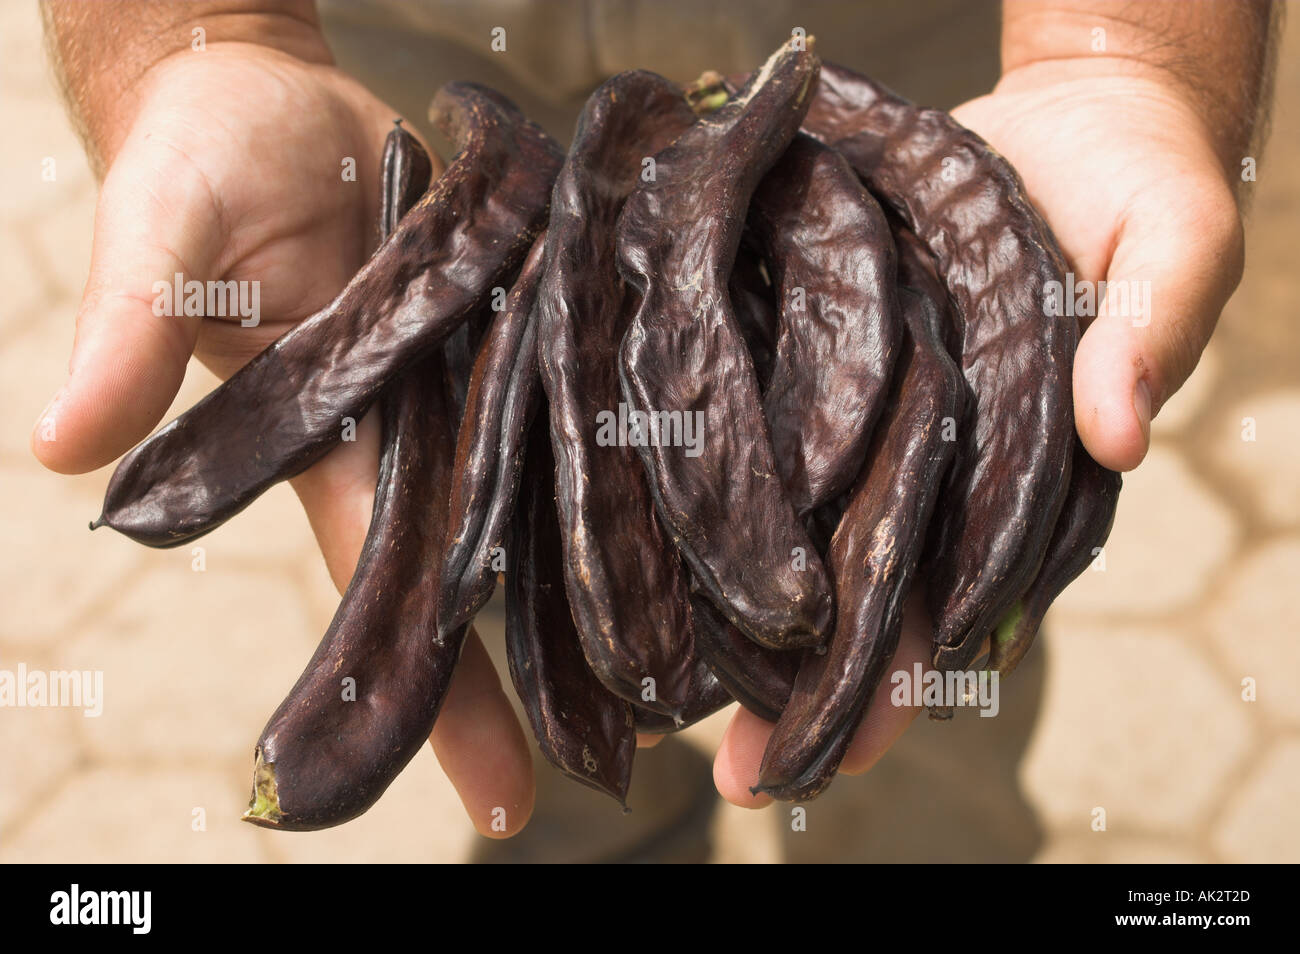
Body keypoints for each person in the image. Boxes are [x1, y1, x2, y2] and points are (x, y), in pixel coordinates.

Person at [33, 0, 1279, 857]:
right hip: (406, 47)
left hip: (916, 44)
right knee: (518, 547)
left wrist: (1117, 46)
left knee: (929, 591)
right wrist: (198, 33)